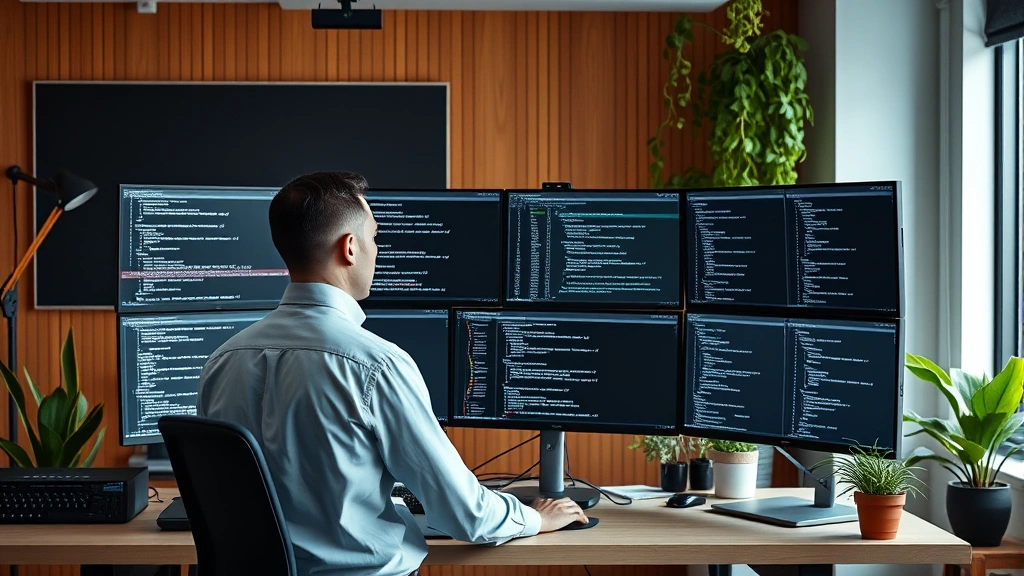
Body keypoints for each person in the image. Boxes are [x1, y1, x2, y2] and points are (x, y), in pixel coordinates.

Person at [197, 171, 588, 576]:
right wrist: (537, 517)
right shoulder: (376, 365)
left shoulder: (222, 360)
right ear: (349, 248)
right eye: (375, 237)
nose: (376, 249)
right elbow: (465, 514)